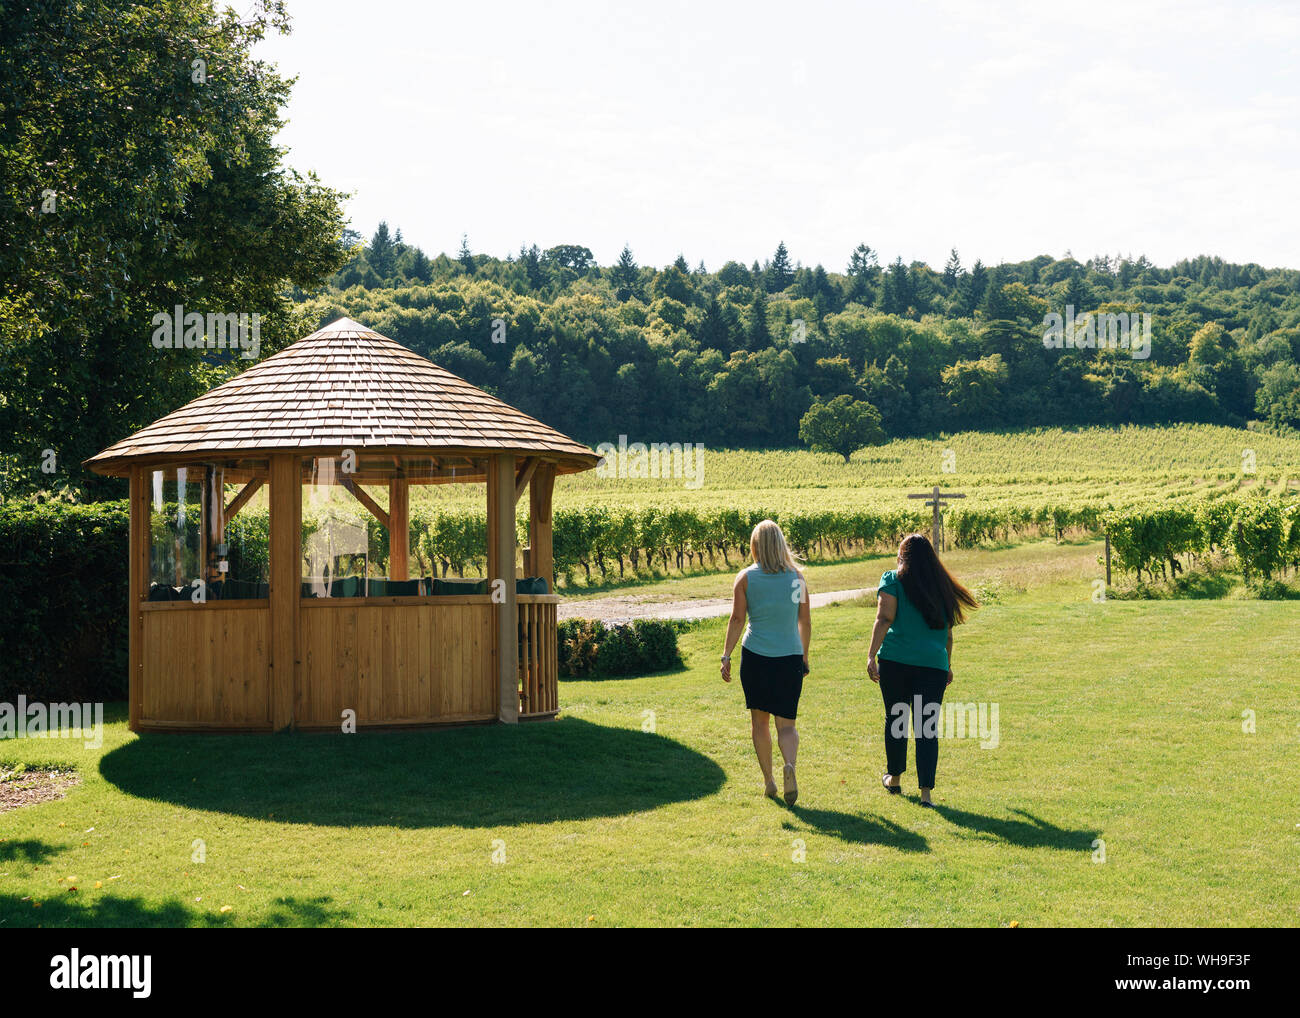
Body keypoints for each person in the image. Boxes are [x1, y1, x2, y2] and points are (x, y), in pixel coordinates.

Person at [866, 533, 978, 806]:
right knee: (926, 727)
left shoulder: (892, 580)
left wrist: (871, 655)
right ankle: (926, 793)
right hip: (933, 665)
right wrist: (947, 665)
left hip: (896, 661)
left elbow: (884, 617)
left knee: (897, 719)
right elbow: (948, 634)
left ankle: (894, 779)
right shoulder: (941, 586)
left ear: (902, 556)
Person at [721, 520, 811, 805]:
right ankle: (790, 767)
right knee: (787, 725)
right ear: (781, 544)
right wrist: (804, 656)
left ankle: (770, 781)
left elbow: (737, 619)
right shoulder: (797, 579)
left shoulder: (746, 578)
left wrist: (726, 655)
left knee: (759, 723)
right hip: (789, 658)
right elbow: (804, 620)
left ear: (755, 546)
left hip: (756, 657)